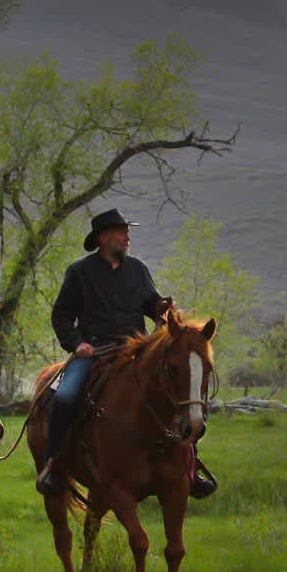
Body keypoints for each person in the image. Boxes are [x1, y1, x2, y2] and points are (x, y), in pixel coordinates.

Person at [39, 208, 217, 499]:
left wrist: (161, 306)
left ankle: (190, 468)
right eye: (122, 232)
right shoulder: (79, 273)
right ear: (104, 238)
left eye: (127, 232)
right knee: (65, 398)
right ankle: (54, 466)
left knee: (177, 395)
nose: (127, 237)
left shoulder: (137, 269)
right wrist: (77, 344)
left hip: (135, 350)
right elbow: (61, 317)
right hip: (93, 352)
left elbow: (151, 304)